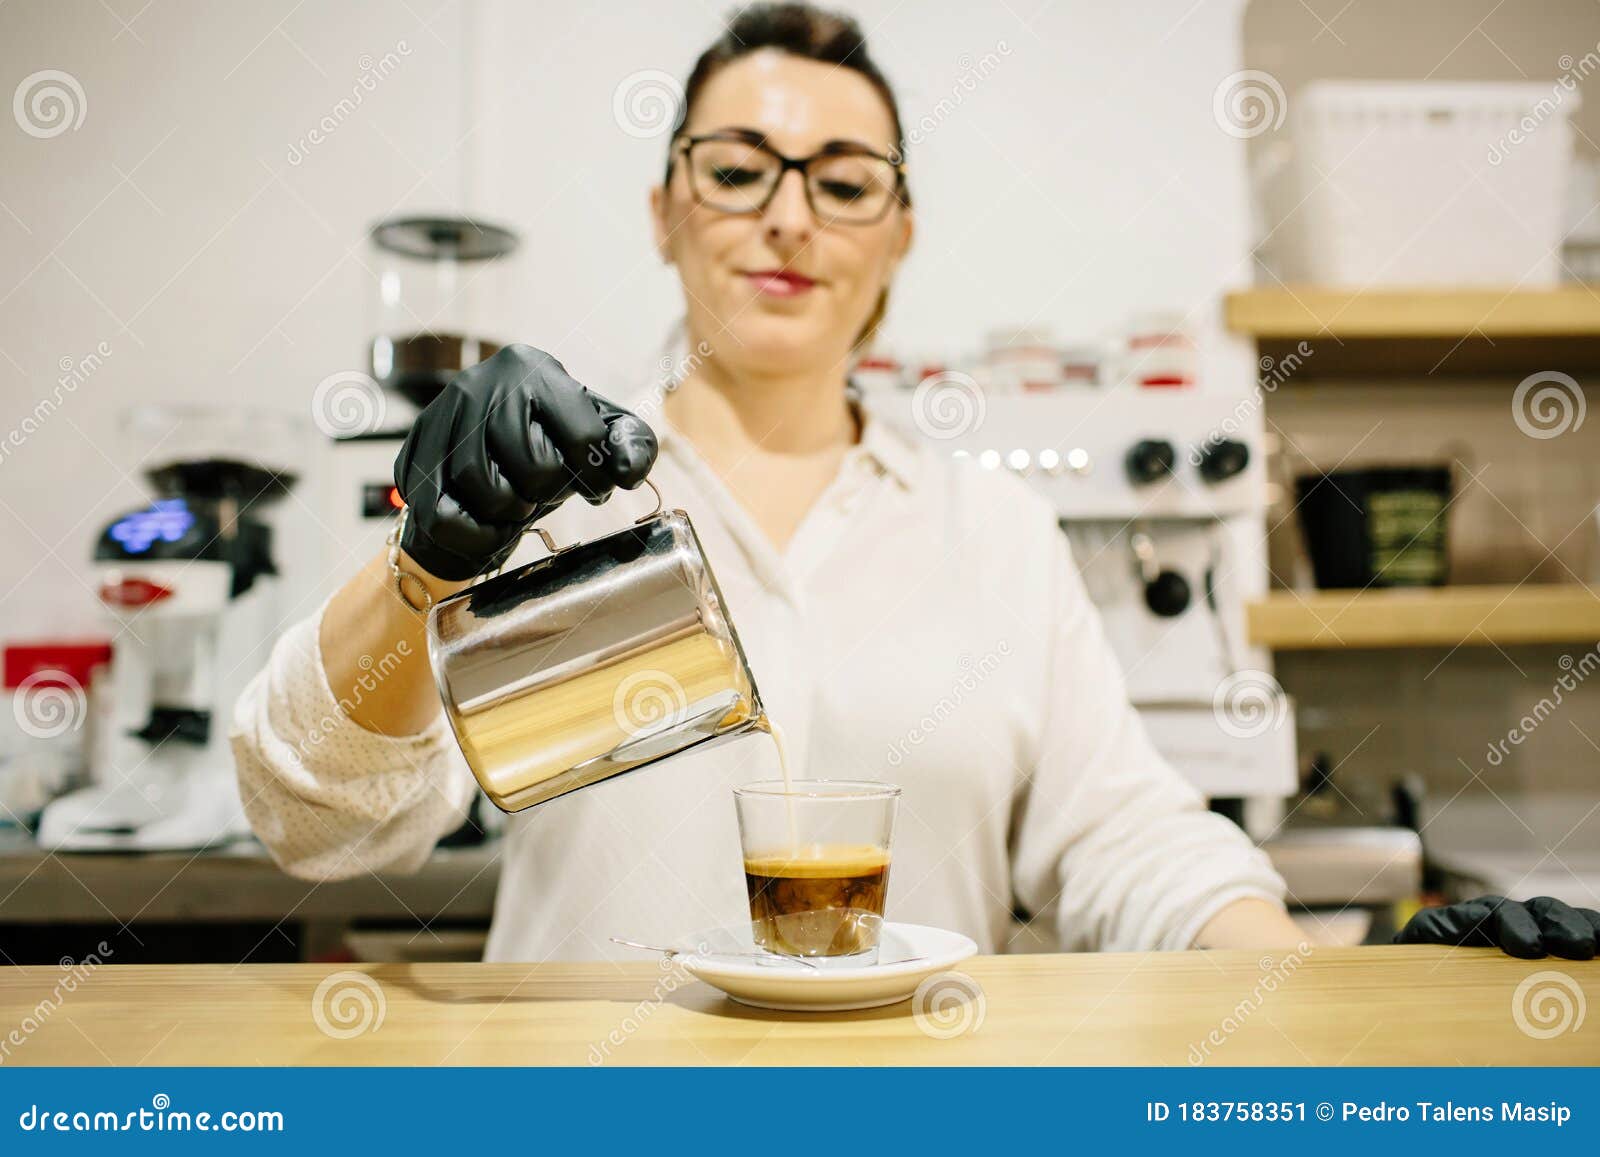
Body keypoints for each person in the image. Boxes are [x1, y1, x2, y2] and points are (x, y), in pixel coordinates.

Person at [232, 2, 1598, 963]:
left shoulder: (991, 533)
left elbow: (1127, 839)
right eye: (737, 168)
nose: (787, 215)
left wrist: (1348, 977)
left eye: (842, 180)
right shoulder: (548, 496)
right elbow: (320, 819)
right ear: (665, 209)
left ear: (898, 234)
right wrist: (428, 569)